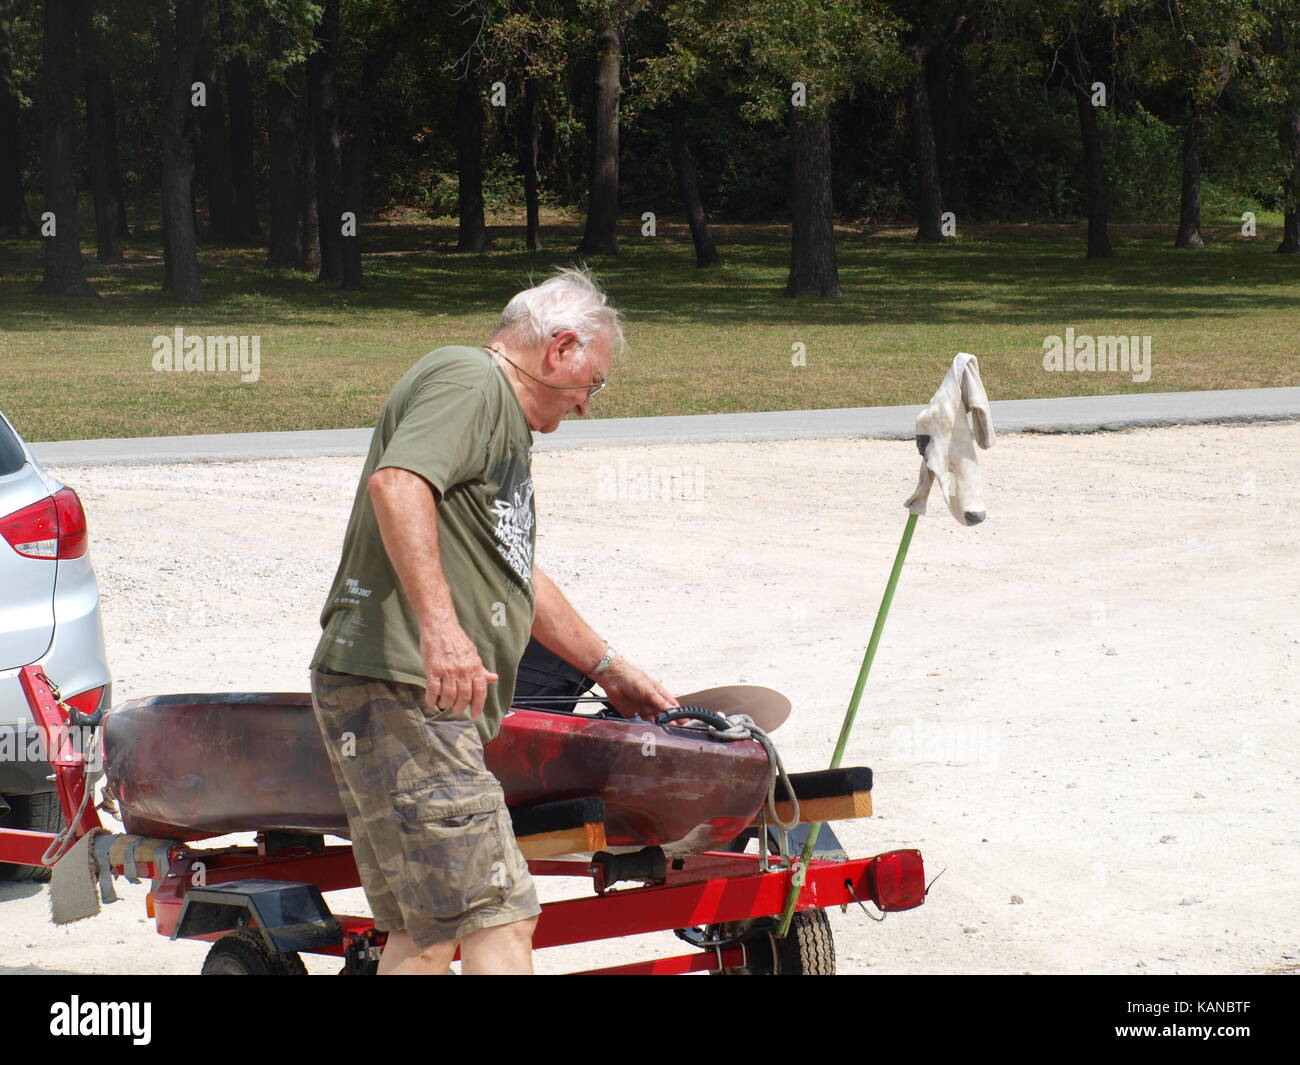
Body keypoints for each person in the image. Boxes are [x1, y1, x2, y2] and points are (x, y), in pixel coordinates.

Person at [309, 266, 678, 975]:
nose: (587, 403)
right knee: (499, 916)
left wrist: (609, 669)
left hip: (398, 693)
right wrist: (441, 630)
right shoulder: (471, 381)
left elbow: (517, 573)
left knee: (428, 928)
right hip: (409, 690)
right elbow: (398, 483)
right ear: (560, 348)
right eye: (593, 383)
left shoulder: (500, 422)